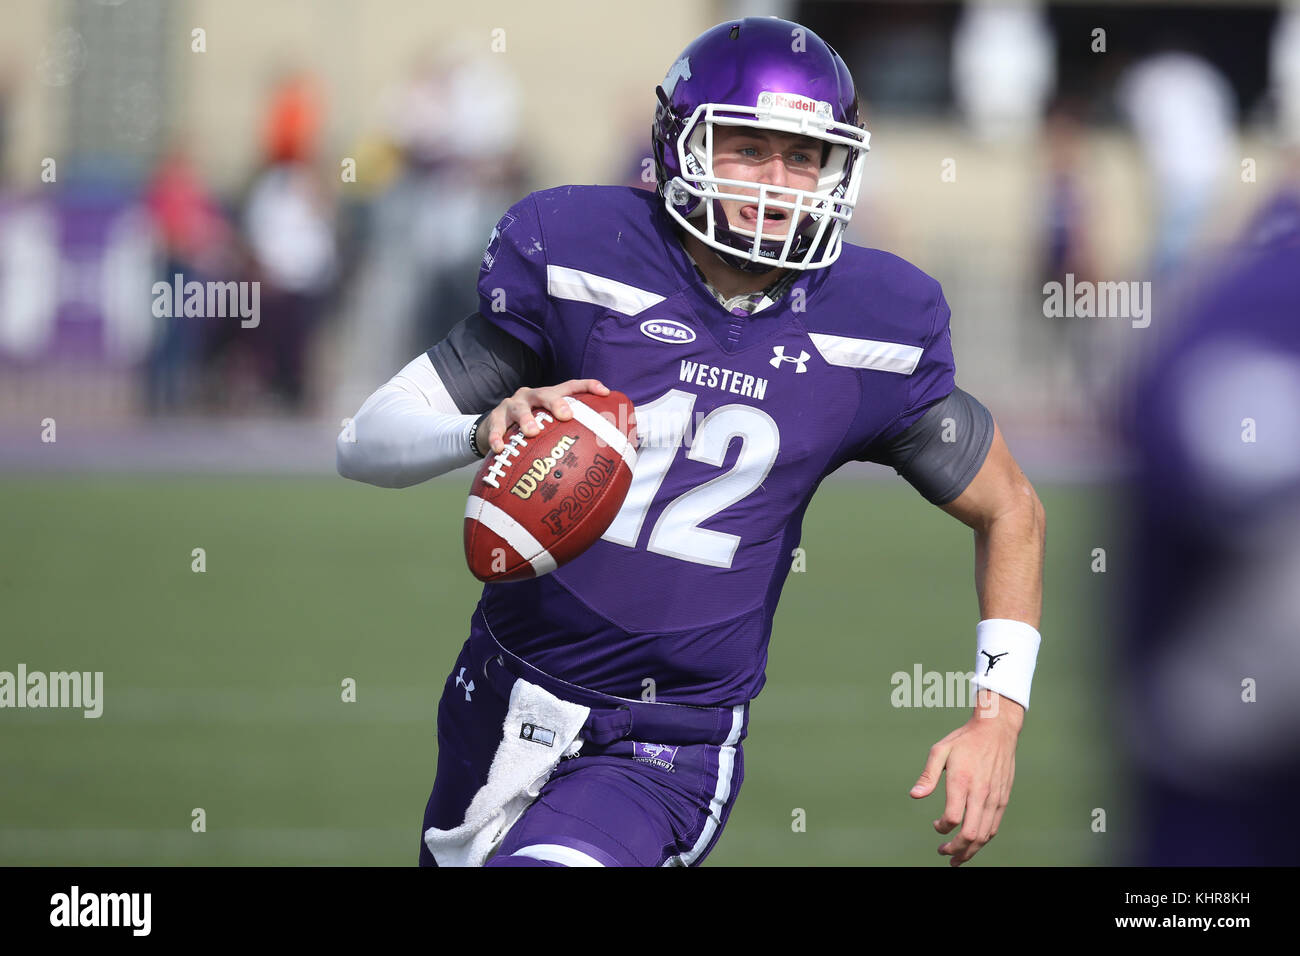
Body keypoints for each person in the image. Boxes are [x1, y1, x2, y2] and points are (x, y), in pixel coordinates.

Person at [338, 17, 1045, 867]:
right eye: (749, 148)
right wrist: (479, 427)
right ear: (681, 146)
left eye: (803, 156)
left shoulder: (874, 324)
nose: (779, 182)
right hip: (499, 694)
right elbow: (364, 441)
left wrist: (996, 716)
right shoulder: (580, 253)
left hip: (663, 744)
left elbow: (1011, 510)